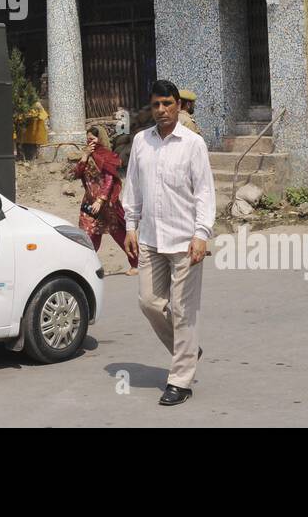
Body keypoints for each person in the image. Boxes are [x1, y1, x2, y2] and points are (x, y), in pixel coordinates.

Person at [122, 79, 215, 406]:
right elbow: (132, 185)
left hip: (185, 240)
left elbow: (204, 191)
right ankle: (187, 349)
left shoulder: (192, 144)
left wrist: (202, 233)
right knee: (149, 302)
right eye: (157, 105)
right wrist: (130, 226)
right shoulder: (140, 142)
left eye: (168, 104)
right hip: (149, 237)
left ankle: (180, 381)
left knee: (182, 309)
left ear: (179, 106)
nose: (162, 110)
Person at [72, 125, 138, 275]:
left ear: (100, 139)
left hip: (107, 204)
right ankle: (86, 268)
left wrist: (100, 200)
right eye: (88, 140)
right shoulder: (87, 156)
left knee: (120, 234)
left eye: (93, 139)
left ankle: (136, 264)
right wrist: (84, 156)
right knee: (88, 234)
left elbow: (109, 180)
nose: (90, 143)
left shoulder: (107, 156)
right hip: (89, 203)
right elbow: (76, 174)